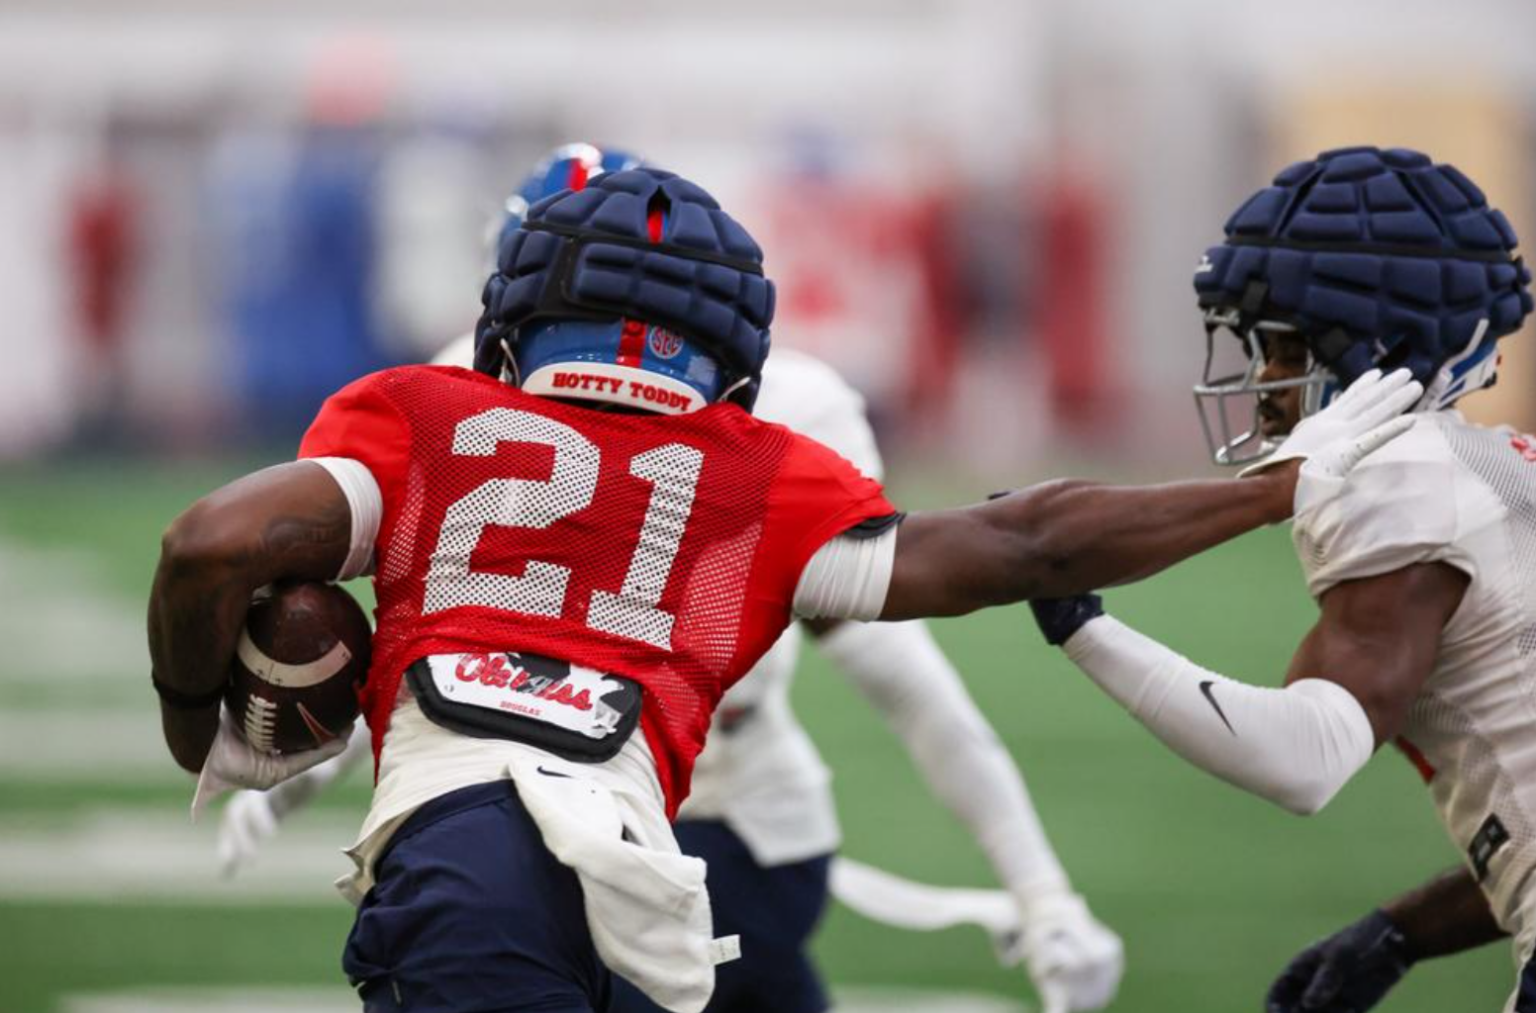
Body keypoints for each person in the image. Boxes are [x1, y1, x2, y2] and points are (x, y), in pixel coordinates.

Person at [149, 162, 1416, 1013]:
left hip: (463, 858)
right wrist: (1268, 488)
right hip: (647, 889)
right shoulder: (758, 472)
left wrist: (195, 722)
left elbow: (211, 544)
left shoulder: (420, 411)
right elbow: (1030, 543)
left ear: (514, 317)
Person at [1025, 145, 1534, 1013]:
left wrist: (1084, 629)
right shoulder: (1501, 466)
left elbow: (1305, 759)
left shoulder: (1403, 474)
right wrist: (1403, 929)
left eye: (1285, 348)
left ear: (1379, 346)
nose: (1263, 380)